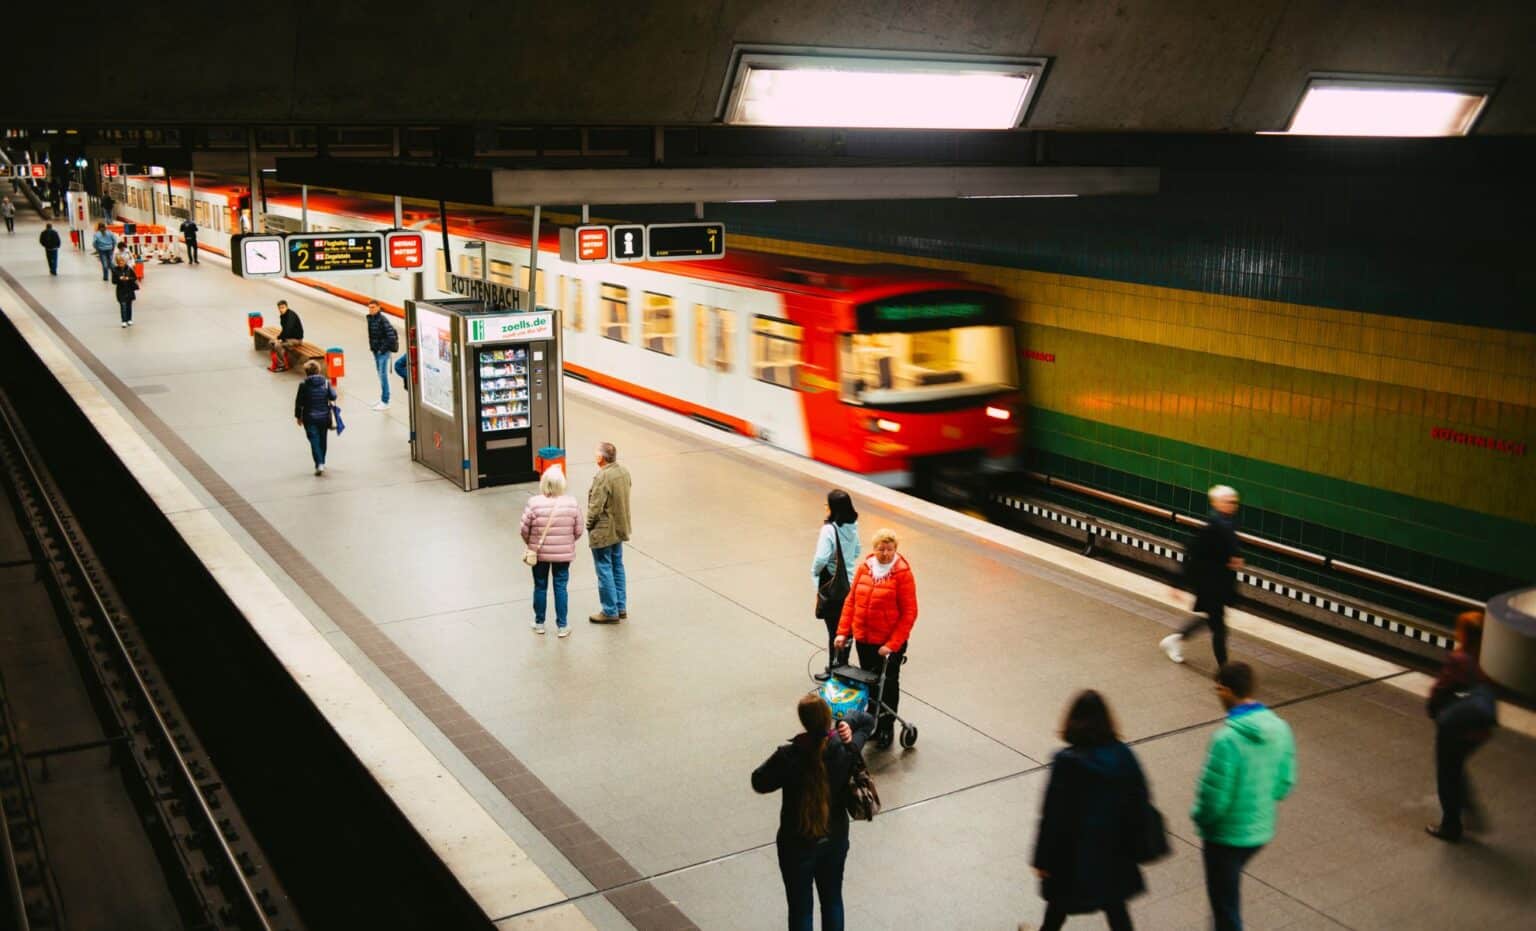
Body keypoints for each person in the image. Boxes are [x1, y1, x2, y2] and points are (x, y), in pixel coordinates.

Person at [752, 694, 876, 931]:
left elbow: (759, 781)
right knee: (832, 901)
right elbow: (868, 720)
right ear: (829, 718)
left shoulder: (788, 756)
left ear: (804, 722)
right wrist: (847, 723)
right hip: (835, 837)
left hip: (796, 842)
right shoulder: (845, 748)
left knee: (800, 909)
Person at [1028, 691, 1149, 931]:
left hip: (1071, 855)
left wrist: (1042, 860)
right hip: (1113, 852)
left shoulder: (1066, 762)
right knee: (1116, 908)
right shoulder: (1123, 755)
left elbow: (1052, 817)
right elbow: (1140, 800)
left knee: (1057, 907)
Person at [1191, 662, 1296, 931]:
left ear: (1226, 690)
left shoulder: (1226, 739)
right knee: (1226, 899)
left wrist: (1200, 819)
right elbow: (1284, 783)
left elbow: (1213, 800)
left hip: (1225, 836)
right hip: (1259, 831)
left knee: (1225, 908)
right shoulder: (1280, 728)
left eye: (1217, 689)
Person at [833, 528, 917, 748]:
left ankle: (886, 727)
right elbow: (851, 602)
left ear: (895, 549)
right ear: (874, 549)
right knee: (868, 685)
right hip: (865, 639)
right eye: (881, 549)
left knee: (887, 685)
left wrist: (892, 644)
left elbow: (909, 613)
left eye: (890, 549)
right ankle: (870, 723)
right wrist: (843, 632)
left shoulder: (902, 574)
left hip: (888, 644)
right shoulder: (865, 568)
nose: (885, 553)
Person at [1425, 611, 1495, 842]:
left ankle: (1451, 825)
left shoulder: (1460, 659)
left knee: (1447, 773)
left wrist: (1433, 709)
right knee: (1456, 767)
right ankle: (1467, 806)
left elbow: (1441, 690)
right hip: (1480, 728)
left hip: (1455, 727)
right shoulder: (1487, 660)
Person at [1161, 485, 1244, 666]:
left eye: (1235, 502)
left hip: (1220, 583)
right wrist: (1176, 583)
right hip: (1210, 585)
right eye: (1228, 502)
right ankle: (1224, 671)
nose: (1233, 505)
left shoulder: (1227, 523)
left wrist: (1234, 558)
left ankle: (1177, 638)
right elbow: (1191, 554)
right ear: (1216, 503)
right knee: (1219, 628)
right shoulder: (1212, 527)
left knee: (1212, 620)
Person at [519, 465, 583, 637]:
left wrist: (531, 543)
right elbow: (578, 530)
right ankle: (562, 626)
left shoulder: (534, 503)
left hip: (539, 554)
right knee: (560, 587)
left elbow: (524, 529)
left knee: (540, 586)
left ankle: (539, 623)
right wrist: (566, 543)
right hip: (563, 555)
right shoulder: (572, 503)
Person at [812, 489, 861, 668]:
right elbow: (857, 551)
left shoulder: (828, 529)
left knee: (834, 630)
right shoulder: (853, 525)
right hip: (850, 583)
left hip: (833, 585)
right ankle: (842, 665)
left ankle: (834, 668)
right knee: (846, 629)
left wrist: (816, 572)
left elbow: (820, 559)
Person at [586, 441, 632, 624]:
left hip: (604, 531)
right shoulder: (624, 472)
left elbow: (595, 507)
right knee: (617, 566)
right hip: (619, 527)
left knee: (604, 568)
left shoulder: (602, 477)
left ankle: (609, 610)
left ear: (600, 457)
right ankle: (621, 607)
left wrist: (589, 525)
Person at [293, 360, 336, 475]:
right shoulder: (326, 383)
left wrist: (298, 417)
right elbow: (333, 396)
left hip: (309, 418)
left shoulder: (303, 385)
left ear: (306, 372)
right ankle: (322, 461)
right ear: (318, 370)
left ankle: (319, 463)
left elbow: (299, 403)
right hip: (324, 417)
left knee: (314, 440)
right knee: (323, 440)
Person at [365, 300, 398, 410]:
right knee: (380, 374)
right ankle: (383, 398)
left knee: (383, 375)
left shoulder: (383, 320)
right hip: (376, 351)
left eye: (373, 307)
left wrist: (381, 350)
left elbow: (391, 337)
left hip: (382, 352)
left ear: (379, 307)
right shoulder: (370, 319)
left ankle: (385, 401)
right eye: (369, 307)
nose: (371, 309)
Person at [271, 301, 304, 372]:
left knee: (277, 345)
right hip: (289, 338)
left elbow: (288, 329)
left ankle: (282, 365)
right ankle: (277, 361)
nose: (281, 309)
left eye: (283, 308)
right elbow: (284, 330)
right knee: (271, 341)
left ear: (287, 307)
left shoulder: (290, 316)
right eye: (279, 308)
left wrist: (280, 340)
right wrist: (278, 337)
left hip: (296, 340)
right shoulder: (283, 315)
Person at [111, 256, 139, 327]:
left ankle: (129, 319)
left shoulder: (129, 269)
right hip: (120, 290)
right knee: (123, 305)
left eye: (122, 262)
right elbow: (113, 281)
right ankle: (123, 320)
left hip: (129, 289)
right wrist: (119, 279)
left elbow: (135, 277)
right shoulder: (115, 270)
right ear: (117, 263)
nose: (121, 264)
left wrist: (128, 278)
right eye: (119, 263)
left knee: (129, 306)